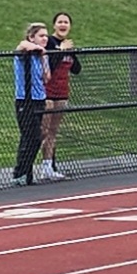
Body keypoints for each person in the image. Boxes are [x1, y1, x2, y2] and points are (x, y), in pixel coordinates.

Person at [40, 11, 82, 179]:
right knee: (42, 131)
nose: (63, 25)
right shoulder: (49, 42)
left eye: (66, 22)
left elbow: (77, 69)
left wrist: (70, 51)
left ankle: (48, 167)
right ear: (54, 25)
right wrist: (59, 50)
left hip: (62, 92)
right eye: (60, 22)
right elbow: (48, 65)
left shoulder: (67, 45)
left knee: (53, 132)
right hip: (47, 92)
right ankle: (26, 167)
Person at [13, 23, 50, 185]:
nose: (45, 38)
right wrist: (35, 48)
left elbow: (46, 77)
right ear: (32, 37)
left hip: (39, 98)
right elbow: (22, 45)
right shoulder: (25, 52)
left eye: (46, 36)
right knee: (32, 137)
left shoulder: (42, 55)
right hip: (25, 99)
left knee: (34, 137)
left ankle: (26, 174)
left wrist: (43, 57)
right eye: (41, 36)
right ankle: (19, 172)